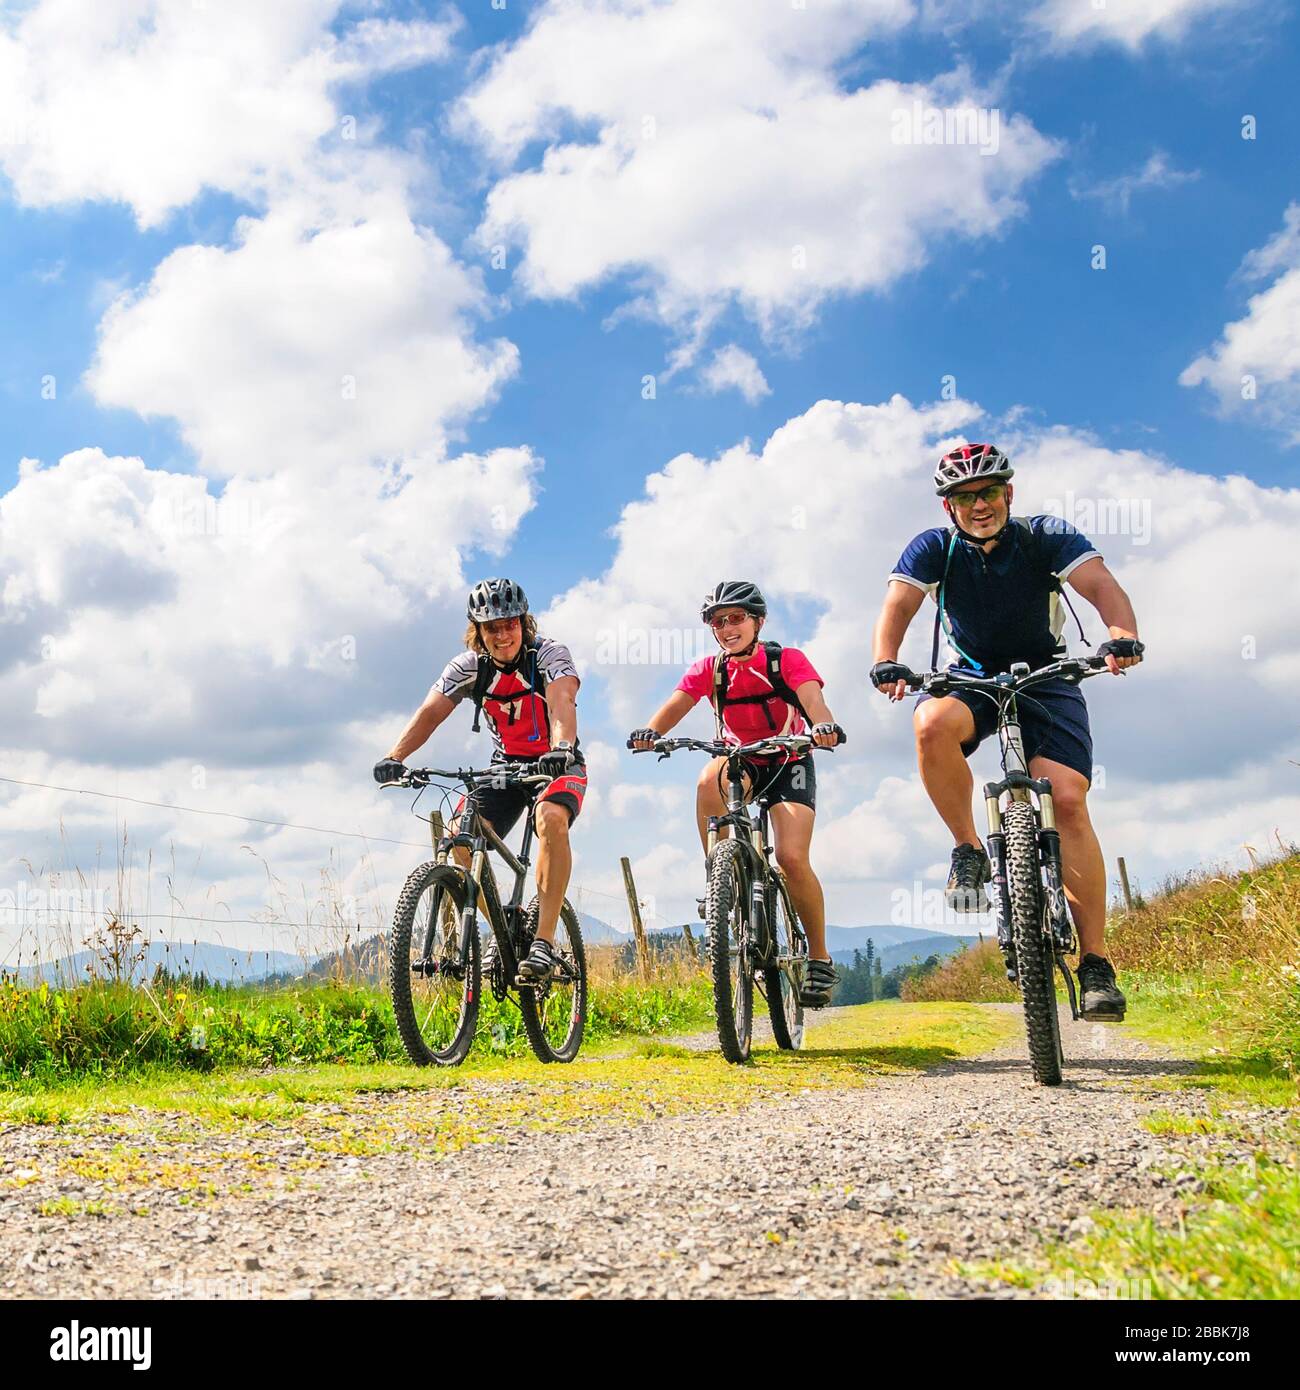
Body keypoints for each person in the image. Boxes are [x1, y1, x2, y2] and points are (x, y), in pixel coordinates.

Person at [869, 443, 1143, 1020]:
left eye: (989, 492)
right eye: (964, 497)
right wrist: (887, 658)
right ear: (949, 507)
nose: (979, 505)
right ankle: (969, 849)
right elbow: (898, 605)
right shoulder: (933, 548)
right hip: (969, 678)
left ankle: (1095, 963)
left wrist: (1119, 633)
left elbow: (1101, 587)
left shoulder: (1046, 536)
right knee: (929, 723)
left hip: (1048, 676)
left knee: (1066, 801)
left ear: (1009, 495)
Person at [628, 581, 844, 1008]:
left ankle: (819, 956)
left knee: (792, 857)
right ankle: (721, 876)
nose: (727, 628)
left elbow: (813, 701)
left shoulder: (787, 661)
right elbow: (678, 702)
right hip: (740, 760)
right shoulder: (710, 669)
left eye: (737, 618)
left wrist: (822, 727)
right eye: (718, 621)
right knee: (708, 779)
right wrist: (651, 732)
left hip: (789, 758)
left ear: (758, 621)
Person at [374, 578, 585, 985]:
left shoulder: (549, 655)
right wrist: (395, 757)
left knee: (550, 821)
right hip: (504, 766)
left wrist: (561, 746)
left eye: (509, 624)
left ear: (524, 623)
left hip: (557, 762)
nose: (502, 634)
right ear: (478, 631)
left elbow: (562, 702)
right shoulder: (468, 666)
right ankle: (504, 926)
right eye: (492, 627)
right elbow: (430, 712)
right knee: (459, 836)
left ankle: (543, 941)